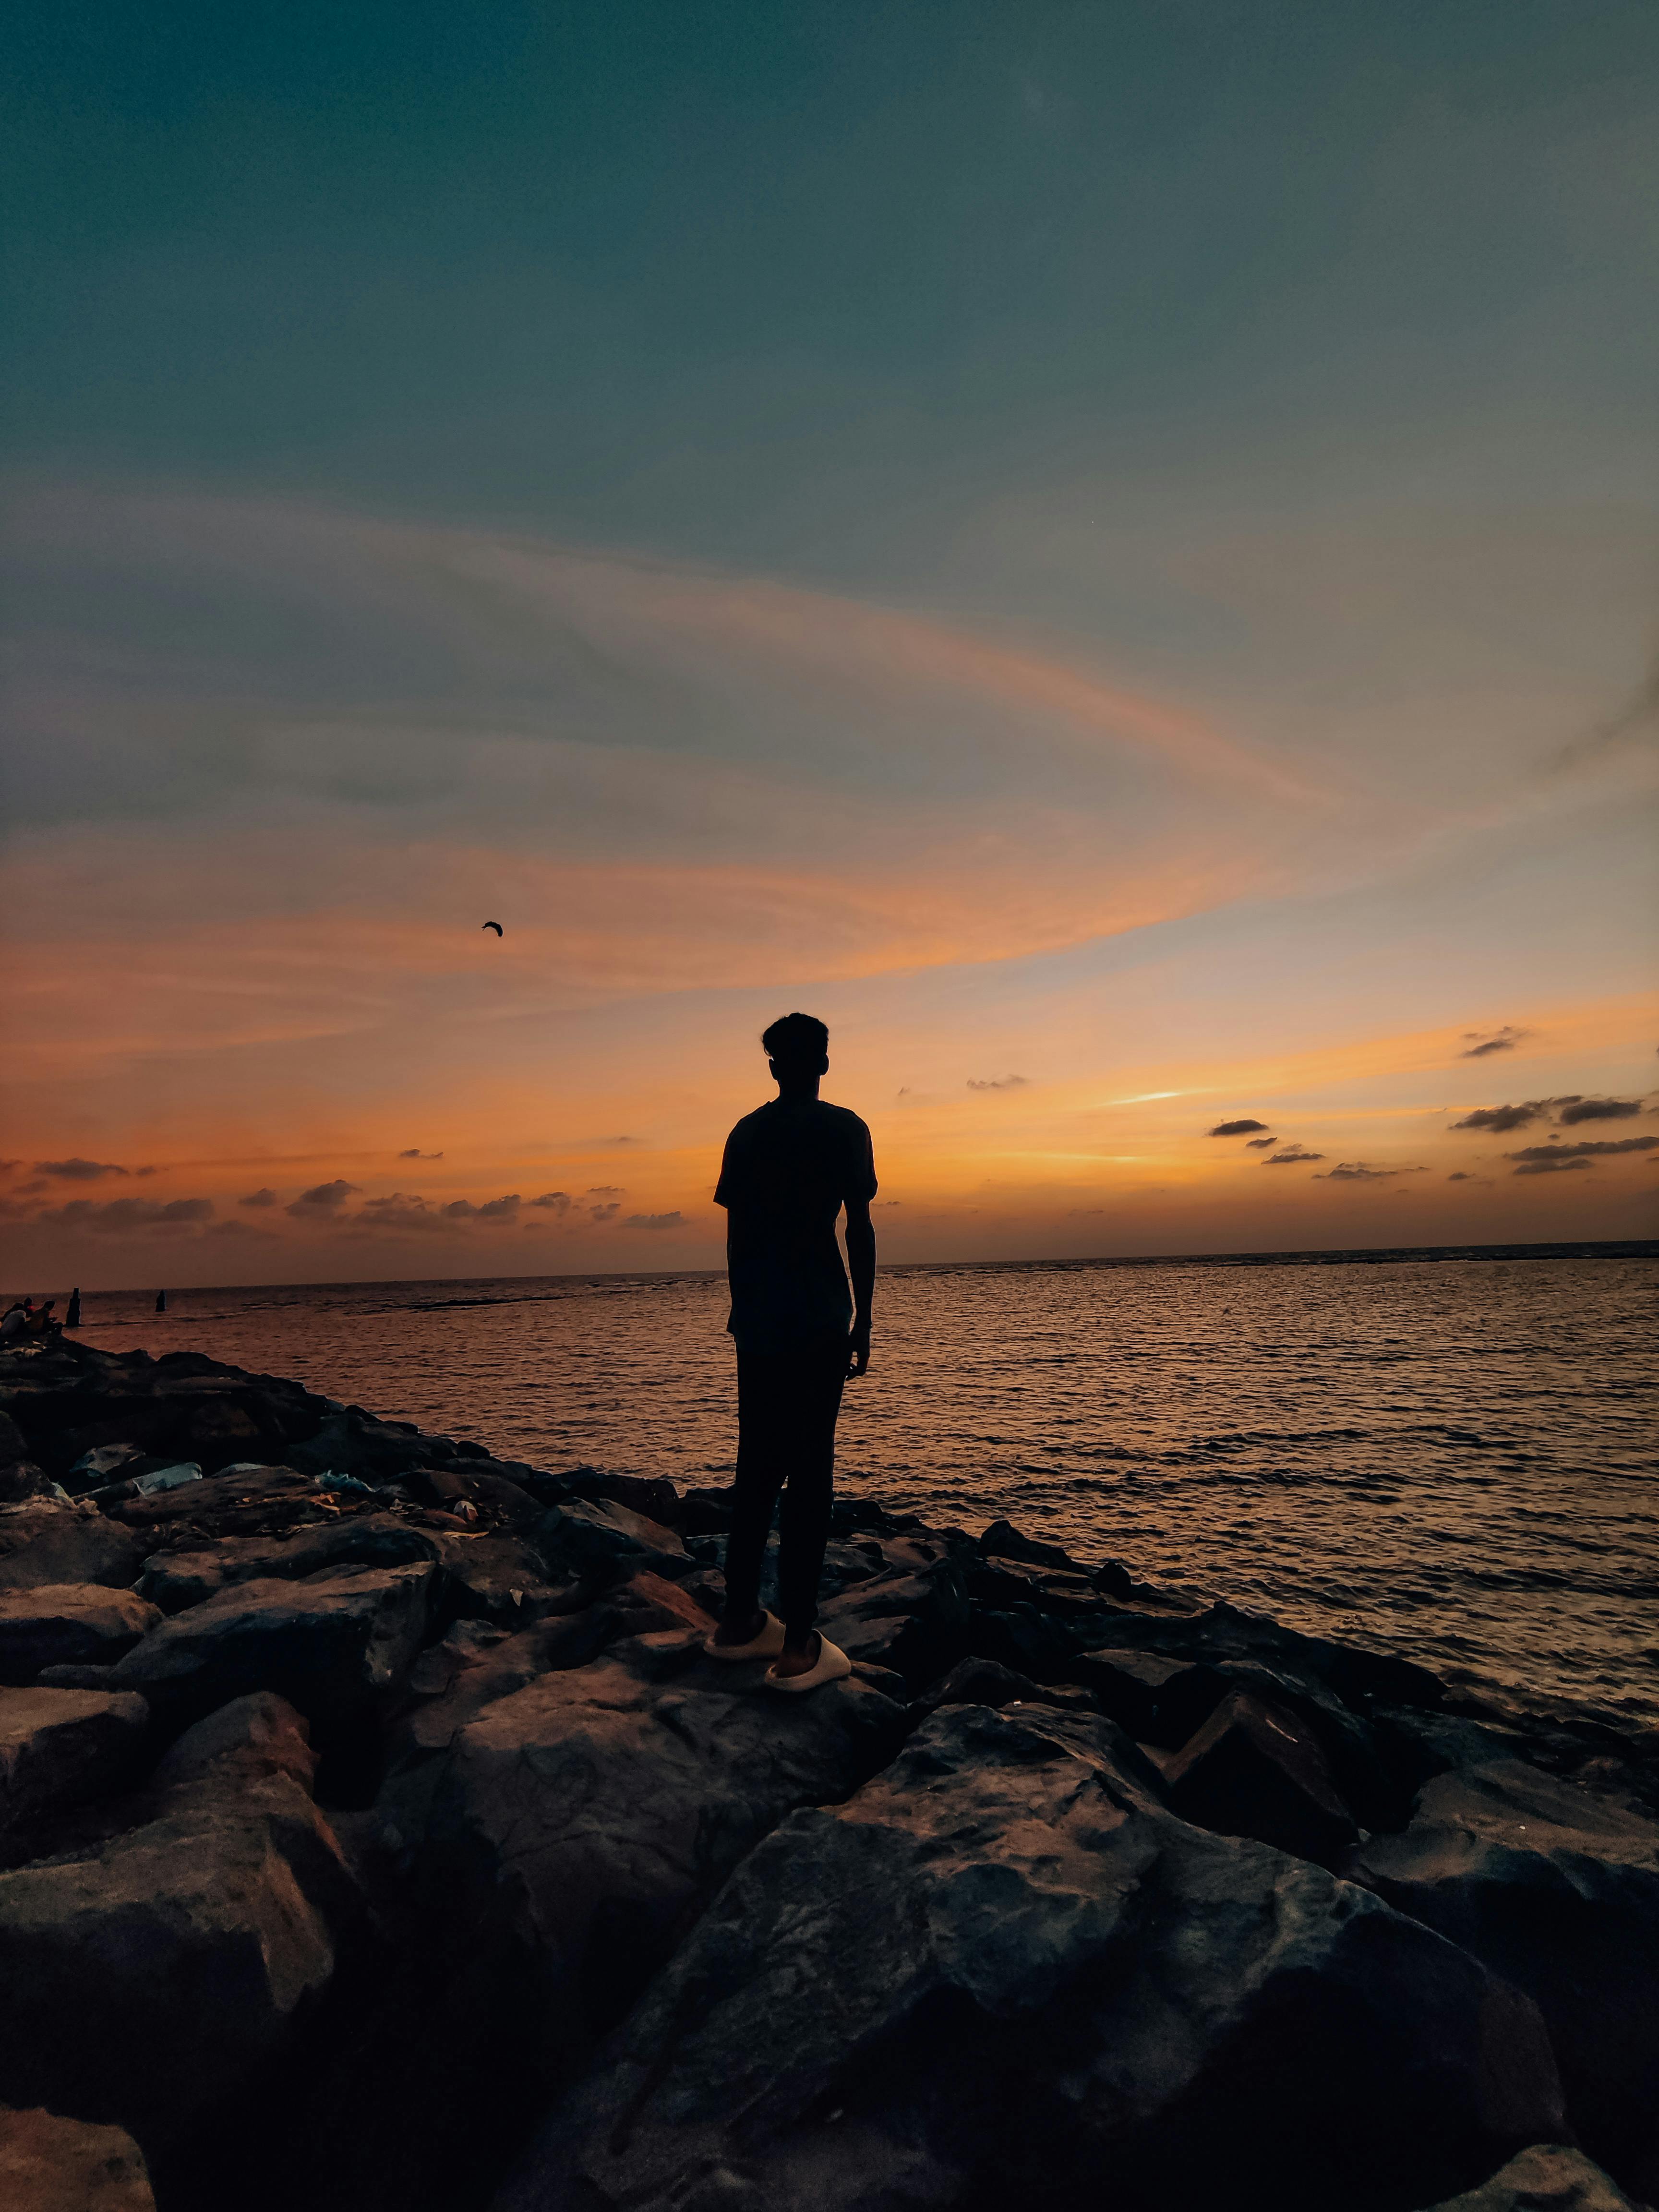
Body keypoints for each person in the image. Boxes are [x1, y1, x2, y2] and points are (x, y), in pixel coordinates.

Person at [707, 1011, 877, 1693]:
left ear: (774, 1065)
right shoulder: (845, 1128)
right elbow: (858, 1227)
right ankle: (800, 1643)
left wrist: (746, 1314)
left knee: (756, 1466)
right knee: (810, 1473)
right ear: (824, 1063)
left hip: (761, 1322)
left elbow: (736, 1240)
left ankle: (739, 1619)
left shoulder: (746, 1133)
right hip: (818, 1317)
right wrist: (865, 1318)